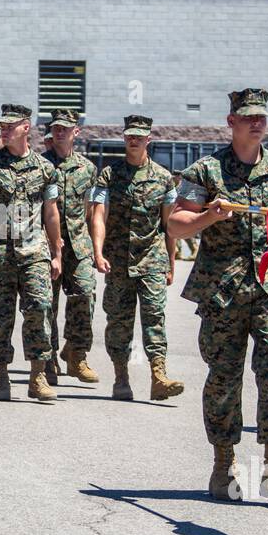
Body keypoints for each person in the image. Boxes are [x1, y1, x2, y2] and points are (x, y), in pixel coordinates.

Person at [168, 88, 268, 504]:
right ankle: (223, 464)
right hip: (223, 290)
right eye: (247, 117)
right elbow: (176, 224)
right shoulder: (206, 172)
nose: (256, 123)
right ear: (231, 122)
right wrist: (210, 214)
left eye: (261, 116)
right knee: (224, 378)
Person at [90, 114, 184, 402]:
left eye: (139, 136)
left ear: (148, 140)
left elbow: (170, 225)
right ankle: (121, 376)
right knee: (118, 320)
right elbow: (99, 216)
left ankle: (159, 376)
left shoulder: (163, 178)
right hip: (118, 260)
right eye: (130, 135)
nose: (134, 140)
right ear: (124, 138)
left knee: (155, 316)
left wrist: (171, 260)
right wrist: (98, 252)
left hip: (152, 258)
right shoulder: (109, 174)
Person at [0, 104, 63, 402]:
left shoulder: (45, 168)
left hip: (34, 251)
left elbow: (51, 213)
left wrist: (56, 253)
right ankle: (1, 376)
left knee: (40, 308)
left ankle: (38, 376)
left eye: (10, 125)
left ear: (26, 127)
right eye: (2, 126)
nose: (4, 130)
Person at [42, 108, 99, 386]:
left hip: (78, 245)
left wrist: (94, 247)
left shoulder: (88, 168)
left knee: (85, 295)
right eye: (56, 128)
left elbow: (90, 211)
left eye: (66, 128)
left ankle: (76, 353)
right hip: (45, 245)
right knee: (46, 305)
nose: (60, 131)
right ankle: (48, 357)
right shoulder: (40, 165)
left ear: (76, 131)